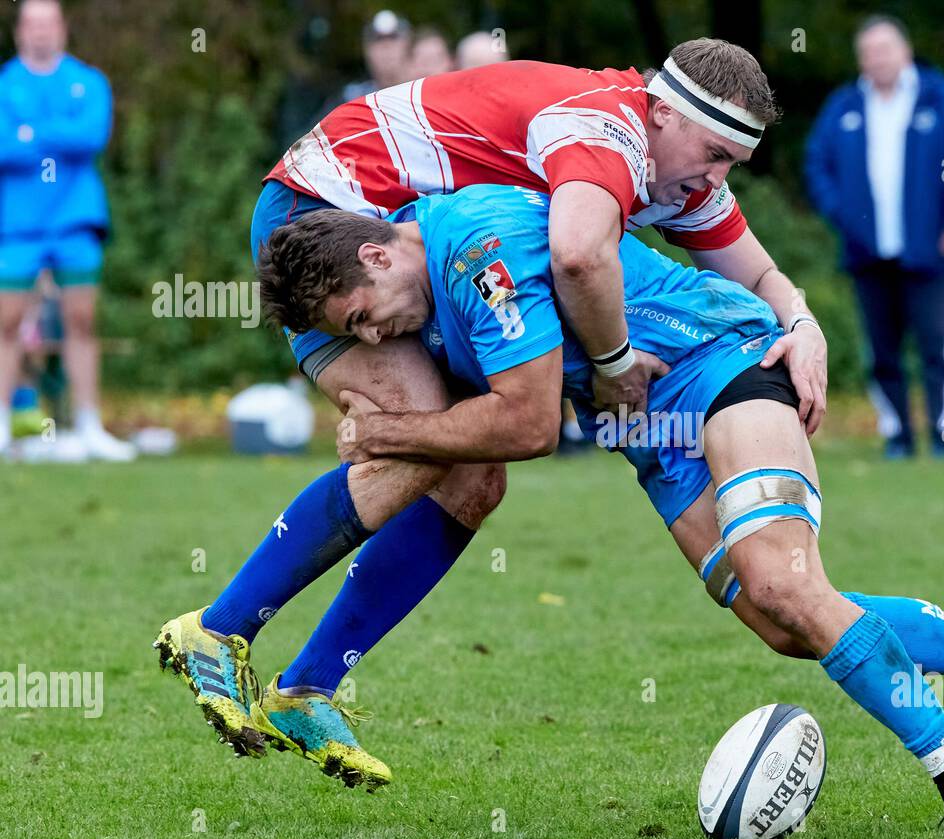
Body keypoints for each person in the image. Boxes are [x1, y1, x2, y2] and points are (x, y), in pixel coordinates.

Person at [163, 184, 944, 835]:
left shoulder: (476, 250)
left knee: (786, 582)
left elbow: (526, 424)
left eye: (360, 318)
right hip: (649, 434)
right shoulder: (431, 283)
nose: (372, 338)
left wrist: (386, 437)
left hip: (717, 364)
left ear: (379, 256)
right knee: (779, 619)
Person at [155, 40, 828, 768]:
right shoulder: (611, 132)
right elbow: (578, 254)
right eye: (716, 152)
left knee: (475, 475)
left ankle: (308, 686)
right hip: (328, 208)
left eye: (734, 160)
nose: (718, 174)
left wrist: (801, 322)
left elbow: (756, 269)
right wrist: (613, 364)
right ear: (669, 114)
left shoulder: (679, 169)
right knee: (417, 440)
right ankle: (217, 631)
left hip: (389, 225)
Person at [804, 14, 944, 458]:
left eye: (884, 49)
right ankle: (897, 433)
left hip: (930, 249)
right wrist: (842, 215)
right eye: (867, 52)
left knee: (938, 350)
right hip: (867, 252)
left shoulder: (940, 99)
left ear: (904, 51)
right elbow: (817, 163)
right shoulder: (845, 107)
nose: (876, 59)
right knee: (882, 352)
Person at [0, 0, 132, 460]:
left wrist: (29, 132)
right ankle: (2, 425)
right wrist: (54, 133)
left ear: (62, 29)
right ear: (19, 31)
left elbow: (90, 138)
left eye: (48, 23)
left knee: (82, 321)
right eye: (32, 23)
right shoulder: (5, 83)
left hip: (75, 220)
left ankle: (89, 424)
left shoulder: (88, 81)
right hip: (17, 224)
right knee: (8, 322)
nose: (40, 32)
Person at [339, 10, 412, 103]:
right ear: (367, 51)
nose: (386, 46)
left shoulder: (423, 94)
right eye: (378, 39)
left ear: (408, 46)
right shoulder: (351, 99)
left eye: (393, 38)